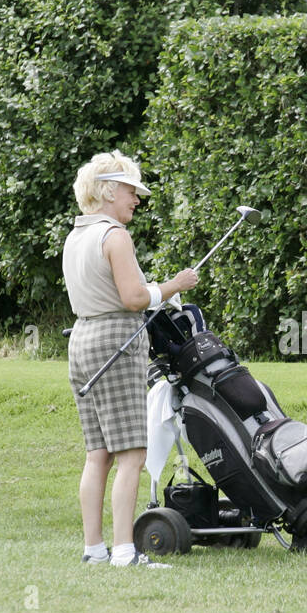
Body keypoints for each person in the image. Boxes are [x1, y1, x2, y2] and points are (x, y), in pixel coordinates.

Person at [62, 151, 198, 567]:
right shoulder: (115, 235)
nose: (136, 199)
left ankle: (94, 549)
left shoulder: (75, 236)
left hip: (81, 340)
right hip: (116, 341)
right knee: (132, 454)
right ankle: (124, 551)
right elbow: (134, 298)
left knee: (97, 454)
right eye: (130, 191)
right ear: (107, 190)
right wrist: (175, 285)